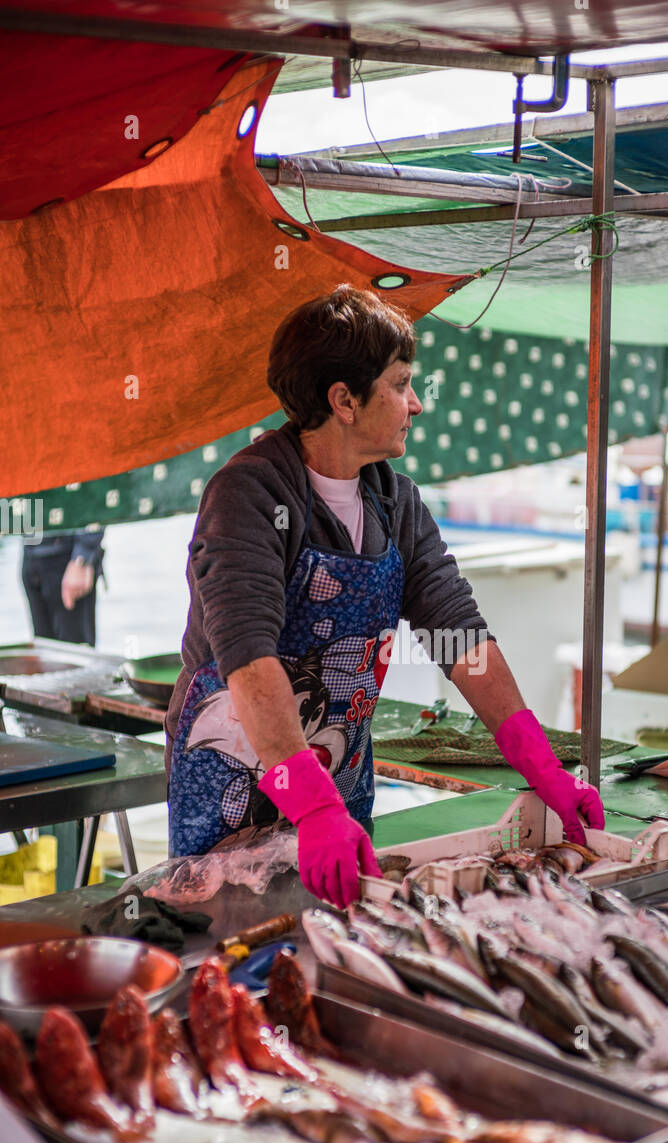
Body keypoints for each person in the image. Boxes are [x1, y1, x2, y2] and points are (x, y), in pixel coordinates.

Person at [165, 286, 604, 906]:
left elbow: (459, 637)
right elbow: (249, 658)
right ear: (343, 400)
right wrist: (311, 807)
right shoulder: (251, 495)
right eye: (401, 384)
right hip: (233, 792)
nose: (416, 404)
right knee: (234, 945)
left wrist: (541, 764)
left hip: (338, 787)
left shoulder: (395, 503)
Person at [21, 528, 105, 646]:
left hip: (67, 557)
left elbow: (94, 513)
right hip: (32, 552)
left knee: (76, 656)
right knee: (45, 654)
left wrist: (82, 557)